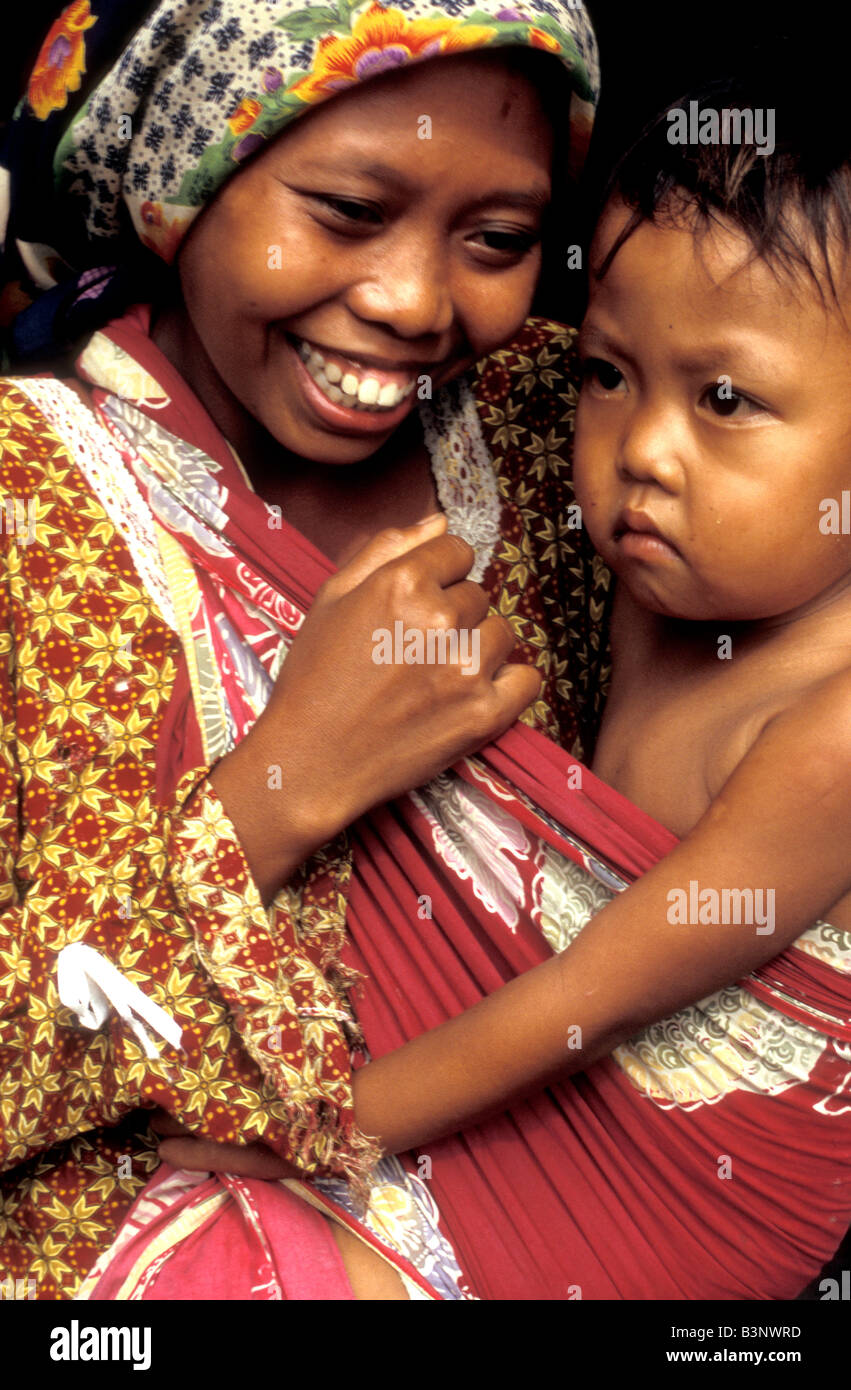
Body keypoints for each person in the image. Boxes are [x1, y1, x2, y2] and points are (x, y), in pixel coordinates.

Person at [0, 4, 845, 1302]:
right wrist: (283, 787)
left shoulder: (560, 420)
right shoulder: (29, 511)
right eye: (343, 208)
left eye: (499, 238)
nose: (410, 301)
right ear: (184, 187)